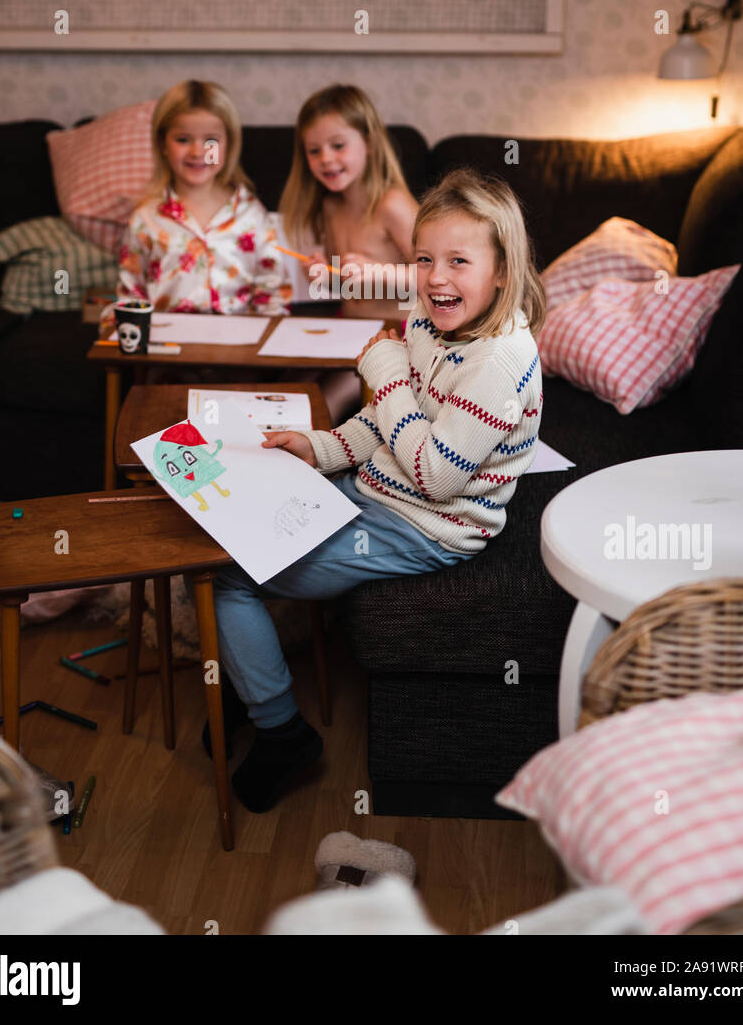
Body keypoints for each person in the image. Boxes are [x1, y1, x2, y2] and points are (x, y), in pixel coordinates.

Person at [203, 167, 546, 813]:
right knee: (235, 512)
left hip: (428, 524)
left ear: (501, 270)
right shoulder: (426, 316)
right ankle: (247, 674)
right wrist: (321, 448)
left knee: (230, 575)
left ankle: (281, 732)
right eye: (423, 260)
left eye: (457, 262)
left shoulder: (498, 363)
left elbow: (434, 475)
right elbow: (388, 422)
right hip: (383, 490)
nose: (435, 278)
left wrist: (383, 370)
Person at [101, 80, 291, 335]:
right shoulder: (146, 219)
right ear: (162, 145)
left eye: (210, 140)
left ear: (229, 144)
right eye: (182, 139)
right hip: (167, 352)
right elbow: (130, 295)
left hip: (239, 355)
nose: (197, 151)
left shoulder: (252, 214)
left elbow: (273, 294)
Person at [279, 83, 418, 322]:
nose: (326, 158)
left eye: (338, 145)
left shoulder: (392, 206)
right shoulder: (331, 208)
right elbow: (351, 288)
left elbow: (440, 277)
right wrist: (327, 279)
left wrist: (380, 272)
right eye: (314, 151)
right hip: (350, 327)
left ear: (370, 143)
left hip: (401, 331)